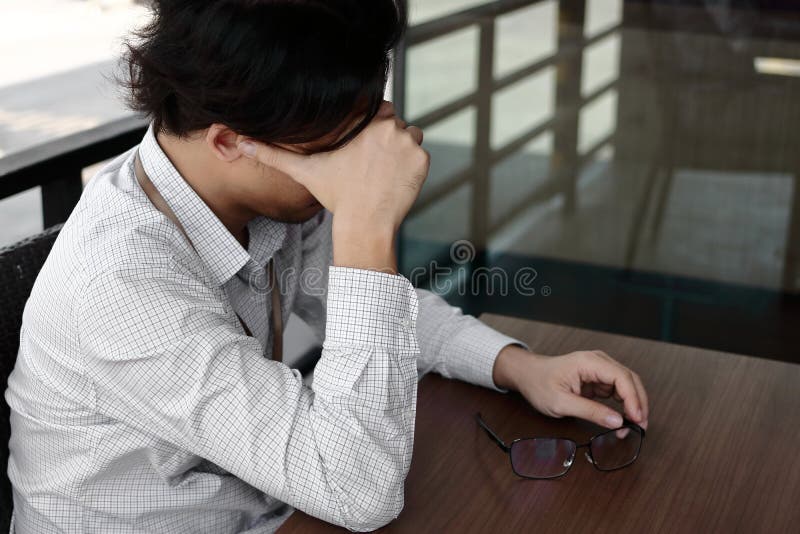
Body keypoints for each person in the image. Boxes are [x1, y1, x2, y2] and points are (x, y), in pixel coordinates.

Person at [4, 1, 649, 532]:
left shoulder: (262, 182)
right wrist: (367, 221)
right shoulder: (121, 289)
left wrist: (516, 366)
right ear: (229, 141)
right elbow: (359, 490)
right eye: (339, 146)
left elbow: (366, 311)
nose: (359, 158)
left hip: (276, 506)